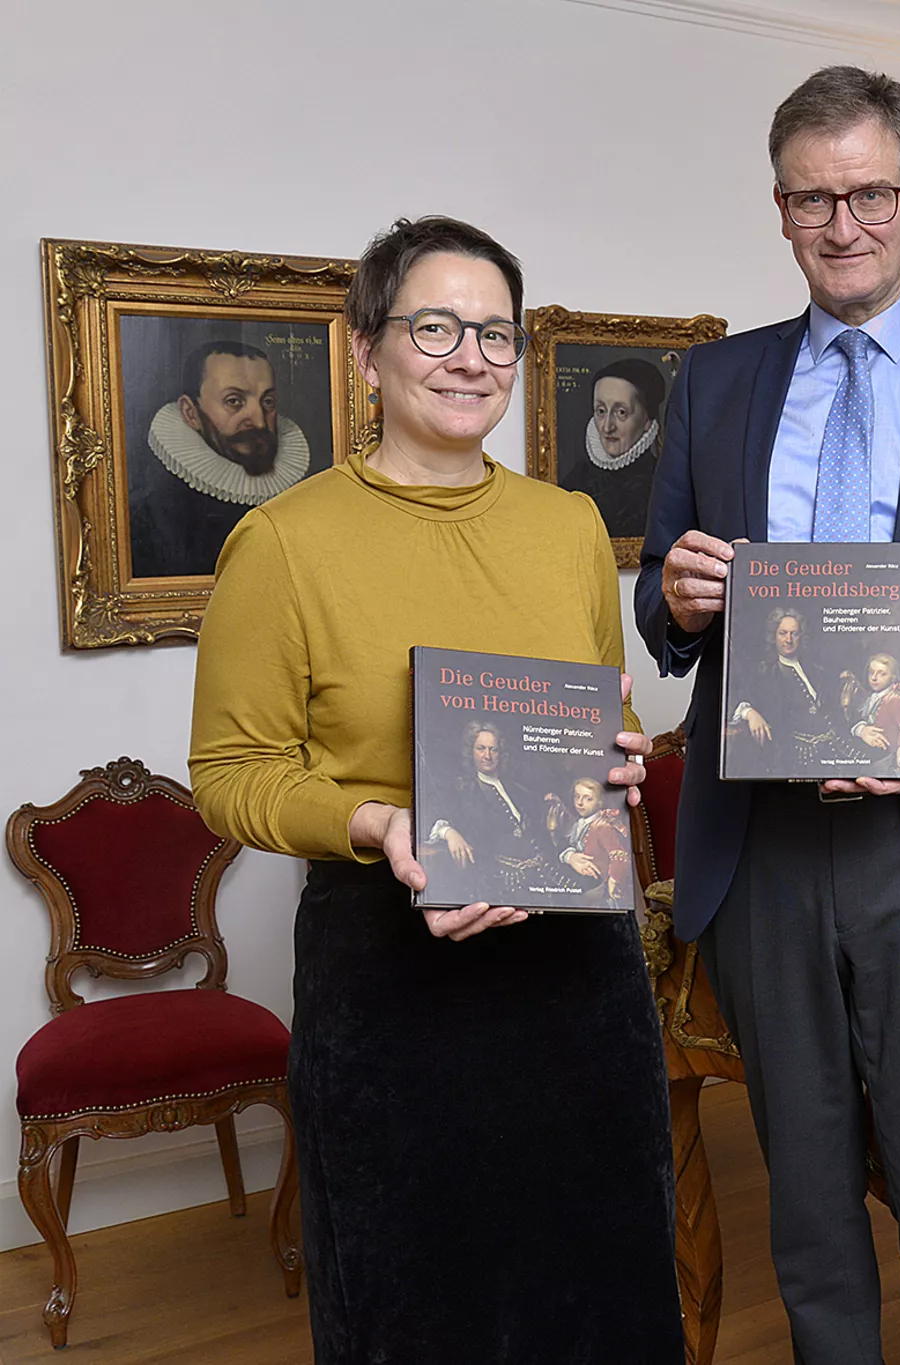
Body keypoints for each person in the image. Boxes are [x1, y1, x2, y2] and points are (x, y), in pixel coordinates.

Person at [634, 64, 900, 1364]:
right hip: (761, 849)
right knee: (808, 1210)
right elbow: (663, 600)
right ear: (779, 209)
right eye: (812, 199)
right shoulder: (713, 381)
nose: (843, 225)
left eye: (869, 193)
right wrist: (677, 597)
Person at [190, 216, 685, 1363]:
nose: (471, 358)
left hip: (577, 967)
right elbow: (228, 775)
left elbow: (597, 719)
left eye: (495, 333)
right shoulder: (283, 542)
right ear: (366, 351)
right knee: (415, 1300)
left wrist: (615, 758)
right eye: (435, 328)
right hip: (391, 967)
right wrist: (376, 822)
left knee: (601, 1288)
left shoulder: (569, 526)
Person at [129, 340, 315, 577]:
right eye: (234, 401)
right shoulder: (151, 518)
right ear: (190, 412)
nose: (259, 422)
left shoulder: (303, 500)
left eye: (267, 402)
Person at [421, 720, 551, 906]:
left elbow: (539, 831)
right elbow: (428, 816)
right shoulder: (461, 790)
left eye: (493, 750)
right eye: (481, 749)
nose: (487, 756)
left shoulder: (519, 790)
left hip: (539, 876)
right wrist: (449, 832)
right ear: (471, 752)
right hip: (495, 882)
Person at [725, 606, 848, 775]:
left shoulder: (816, 670)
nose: (788, 639)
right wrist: (750, 712)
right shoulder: (763, 672)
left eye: (794, 634)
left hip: (833, 748)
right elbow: (736, 697)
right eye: (783, 633)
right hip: (793, 756)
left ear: (800, 637)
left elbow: (834, 709)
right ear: (773, 636)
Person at [562, 355, 666, 540]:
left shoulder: (662, 486)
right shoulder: (575, 480)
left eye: (621, 412)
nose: (607, 427)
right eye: (601, 411)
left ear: (647, 421)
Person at [554, 775, 633, 907]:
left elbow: (620, 856)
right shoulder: (579, 823)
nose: (580, 802)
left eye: (588, 799)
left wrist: (614, 879)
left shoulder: (601, 826)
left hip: (599, 887)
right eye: (577, 797)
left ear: (599, 803)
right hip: (581, 881)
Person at [843, 650, 900, 768]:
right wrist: (861, 729)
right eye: (871, 672)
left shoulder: (894, 699)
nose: (874, 678)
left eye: (882, 674)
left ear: (893, 677)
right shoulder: (873, 697)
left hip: (887, 757)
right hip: (871, 752)